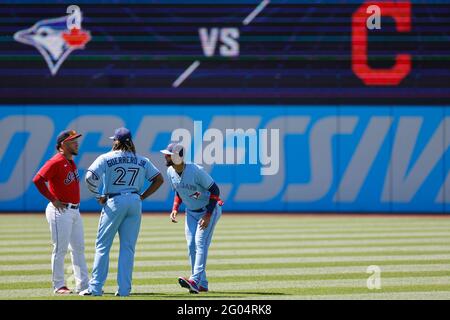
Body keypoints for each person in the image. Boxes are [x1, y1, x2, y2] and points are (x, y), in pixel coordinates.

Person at [80, 127, 164, 297]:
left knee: (103, 246)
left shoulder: (106, 157)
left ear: (116, 141)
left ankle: (95, 288)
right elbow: (159, 179)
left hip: (115, 200)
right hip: (134, 201)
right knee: (128, 248)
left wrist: (99, 195)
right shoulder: (142, 160)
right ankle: (124, 290)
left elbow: (89, 176)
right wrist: (142, 196)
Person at [161, 142, 223, 294]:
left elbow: (215, 190)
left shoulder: (195, 170)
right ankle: (202, 283)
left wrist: (208, 215)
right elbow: (179, 191)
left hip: (209, 210)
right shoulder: (170, 171)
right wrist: (175, 208)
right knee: (191, 245)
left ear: (176, 157)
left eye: (168, 154)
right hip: (191, 211)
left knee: (200, 242)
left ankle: (194, 280)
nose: (165, 156)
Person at [32, 129, 89, 294]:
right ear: (62, 145)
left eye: (76, 140)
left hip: (74, 211)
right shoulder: (55, 161)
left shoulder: (70, 161)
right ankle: (59, 285)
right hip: (60, 210)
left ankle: (83, 285)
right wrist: (52, 199)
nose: (76, 143)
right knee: (60, 249)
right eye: (72, 141)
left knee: (78, 248)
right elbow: (38, 180)